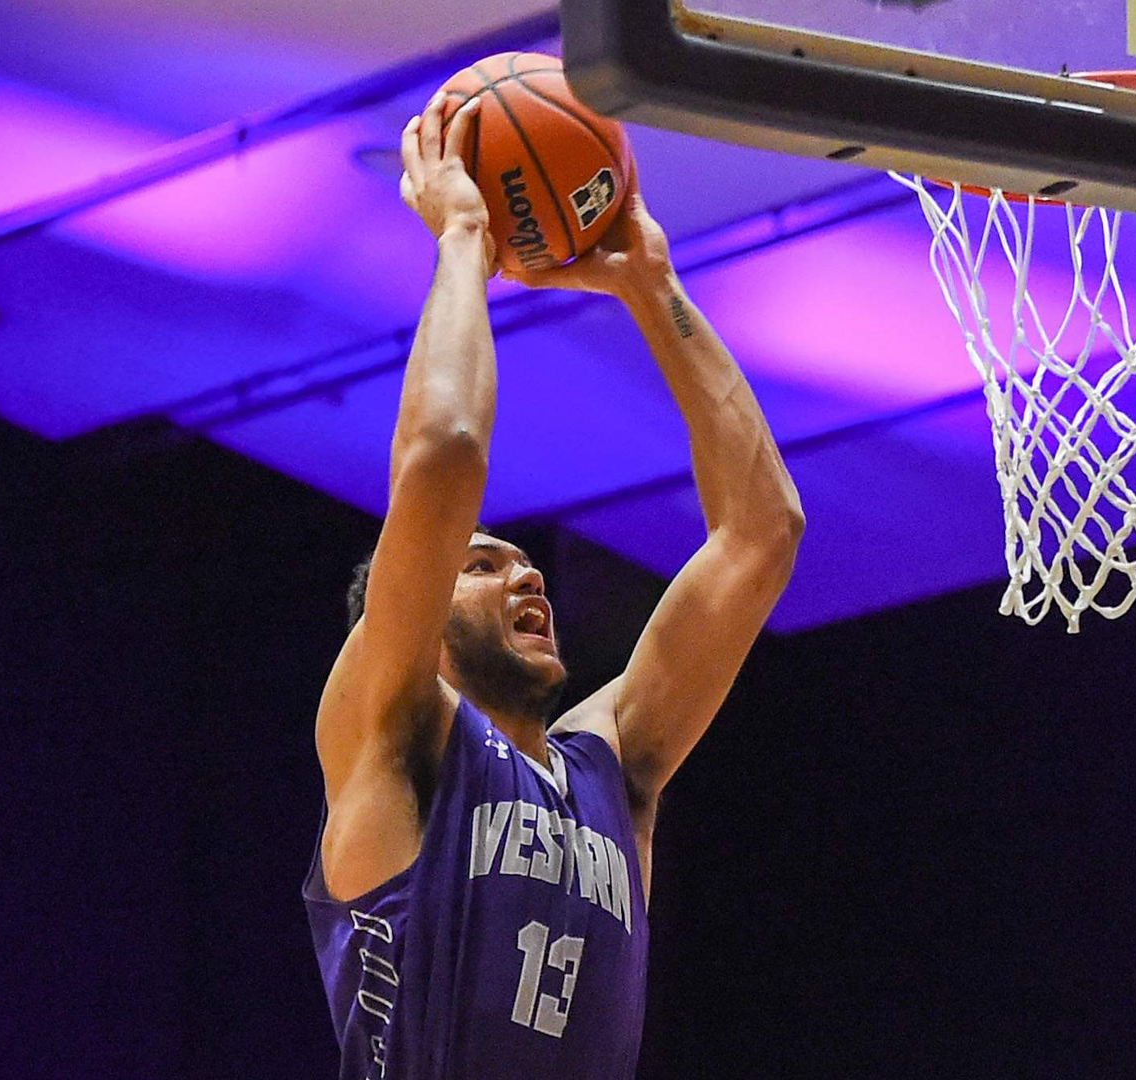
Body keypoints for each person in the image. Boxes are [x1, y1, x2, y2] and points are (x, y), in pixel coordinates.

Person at [302, 95, 804, 1080]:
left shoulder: (611, 770)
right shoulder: (394, 730)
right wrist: (464, 237)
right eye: (479, 564)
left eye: (520, 560)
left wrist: (651, 285)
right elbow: (444, 457)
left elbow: (762, 533)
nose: (524, 570)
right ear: (414, 617)